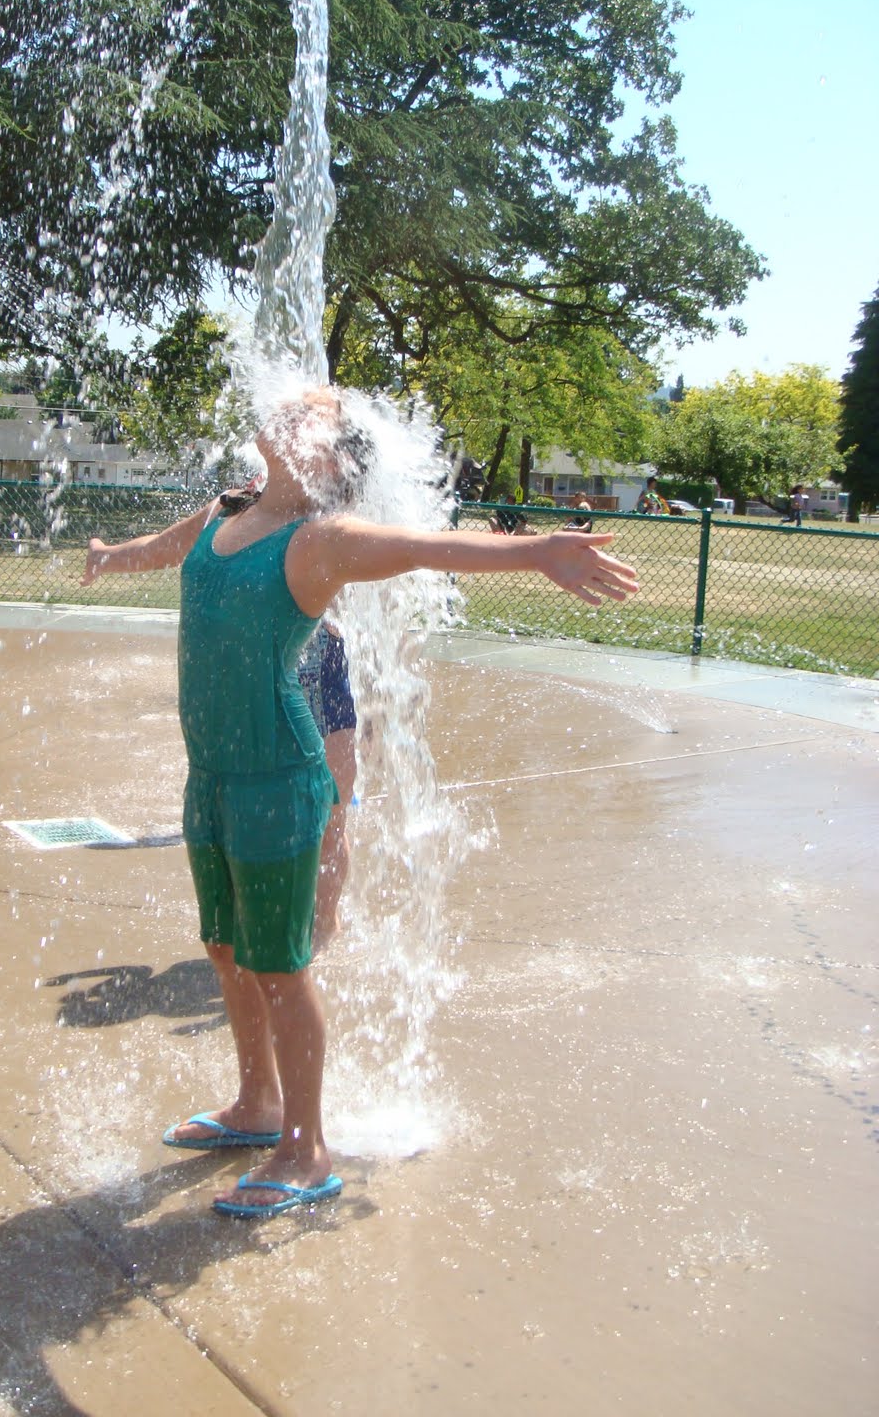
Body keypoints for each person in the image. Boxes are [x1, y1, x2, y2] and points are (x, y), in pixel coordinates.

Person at [84, 388, 638, 1217]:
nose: (287, 407)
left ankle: (305, 1147)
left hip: (277, 779)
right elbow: (160, 551)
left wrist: (540, 550)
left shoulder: (322, 542)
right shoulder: (219, 518)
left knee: (278, 964)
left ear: (335, 463)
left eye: (313, 414)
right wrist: (108, 553)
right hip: (212, 778)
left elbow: (426, 547)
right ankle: (255, 1104)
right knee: (226, 949)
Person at [83, 485, 357, 955]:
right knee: (268, 811)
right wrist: (105, 558)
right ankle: (262, 924)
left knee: (333, 813)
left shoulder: (335, 502)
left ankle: (324, 923)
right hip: (263, 683)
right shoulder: (237, 510)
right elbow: (164, 547)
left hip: (325, 668)